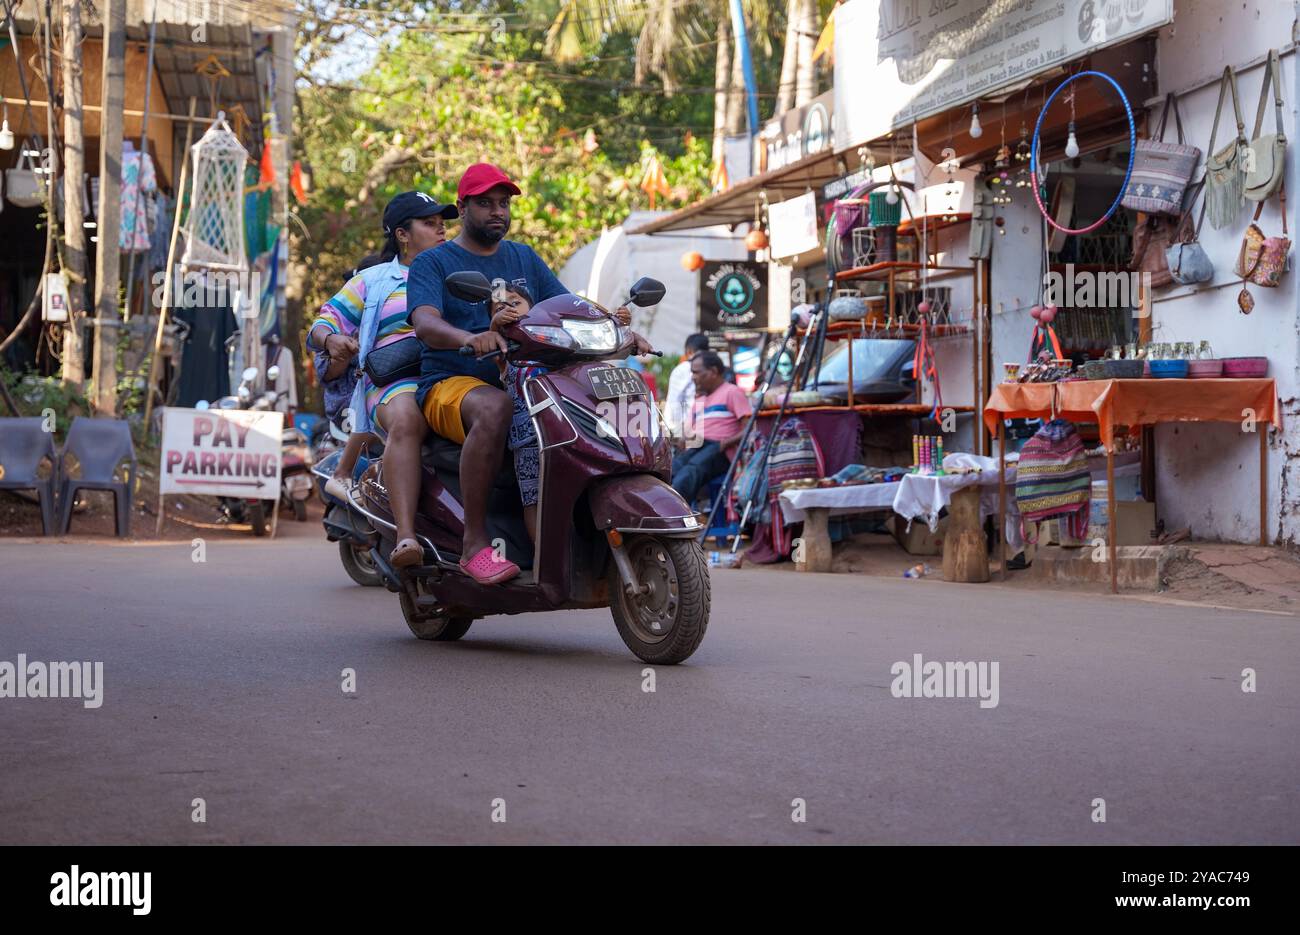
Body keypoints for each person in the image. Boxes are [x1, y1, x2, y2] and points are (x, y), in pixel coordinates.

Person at [406, 163, 569, 585]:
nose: (497, 211)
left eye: (503, 204)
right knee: (496, 406)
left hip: (525, 379)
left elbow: (565, 307)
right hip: (449, 385)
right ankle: (474, 545)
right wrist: (468, 336)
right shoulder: (434, 262)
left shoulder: (523, 257)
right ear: (462, 208)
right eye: (485, 204)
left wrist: (619, 328)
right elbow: (424, 322)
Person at [307, 191, 458, 567]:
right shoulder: (373, 280)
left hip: (454, 377)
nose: (441, 231)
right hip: (396, 382)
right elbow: (322, 324)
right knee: (406, 419)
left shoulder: (459, 273)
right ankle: (406, 537)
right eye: (429, 224)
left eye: (443, 224)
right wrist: (333, 338)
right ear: (403, 235)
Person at [492, 286, 646, 542]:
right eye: (499, 307)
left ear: (536, 311)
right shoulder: (506, 354)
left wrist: (617, 321)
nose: (508, 308)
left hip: (579, 436)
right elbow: (491, 339)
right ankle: (545, 562)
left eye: (515, 302)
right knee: (535, 500)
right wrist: (495, 326)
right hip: (533, 441)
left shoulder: (564, 351)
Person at [313, 255, 383, 500]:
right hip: (348, 407)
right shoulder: (344, 319)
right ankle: (342, 473)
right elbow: (327, 374)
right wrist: (343, 352)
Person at [671, 351, 750, 506]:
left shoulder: (732, 392)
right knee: (671, 469)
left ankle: (673, 512)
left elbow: (750, 428)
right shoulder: (700, 400)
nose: (693, 377)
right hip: (698, 446)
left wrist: (726, 443)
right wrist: (681, 438)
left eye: (696, 372)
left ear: (713, 371)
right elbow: (688, 431)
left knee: (690, 472)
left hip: (721, 450)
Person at [665, 333, 710, 433]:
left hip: (688, 427)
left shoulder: (683, 369)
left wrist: (672, 428)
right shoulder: (714, 368)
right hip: (710, 423)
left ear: (688, 351)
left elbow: (674, 401)